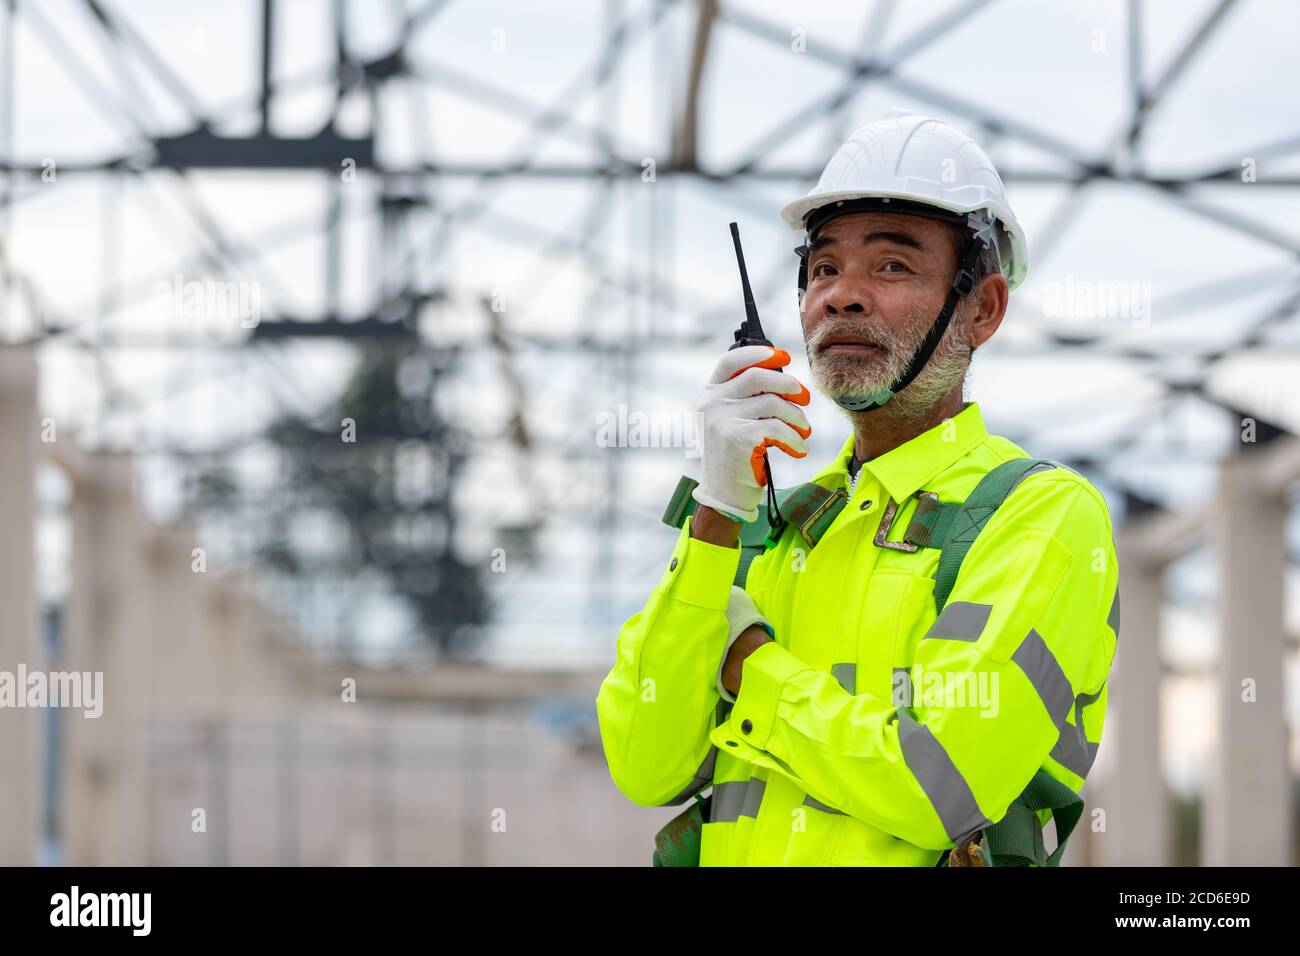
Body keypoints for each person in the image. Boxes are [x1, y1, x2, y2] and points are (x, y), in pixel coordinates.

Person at [597, 111, 1119, 866]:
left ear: (983, 308)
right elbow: (645, 764)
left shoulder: (1039, 516)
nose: (841, 296)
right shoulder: (767, 527)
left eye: (892, 266)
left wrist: (749, 662)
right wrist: (714, 514)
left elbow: (941, 784)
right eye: (823, 269)